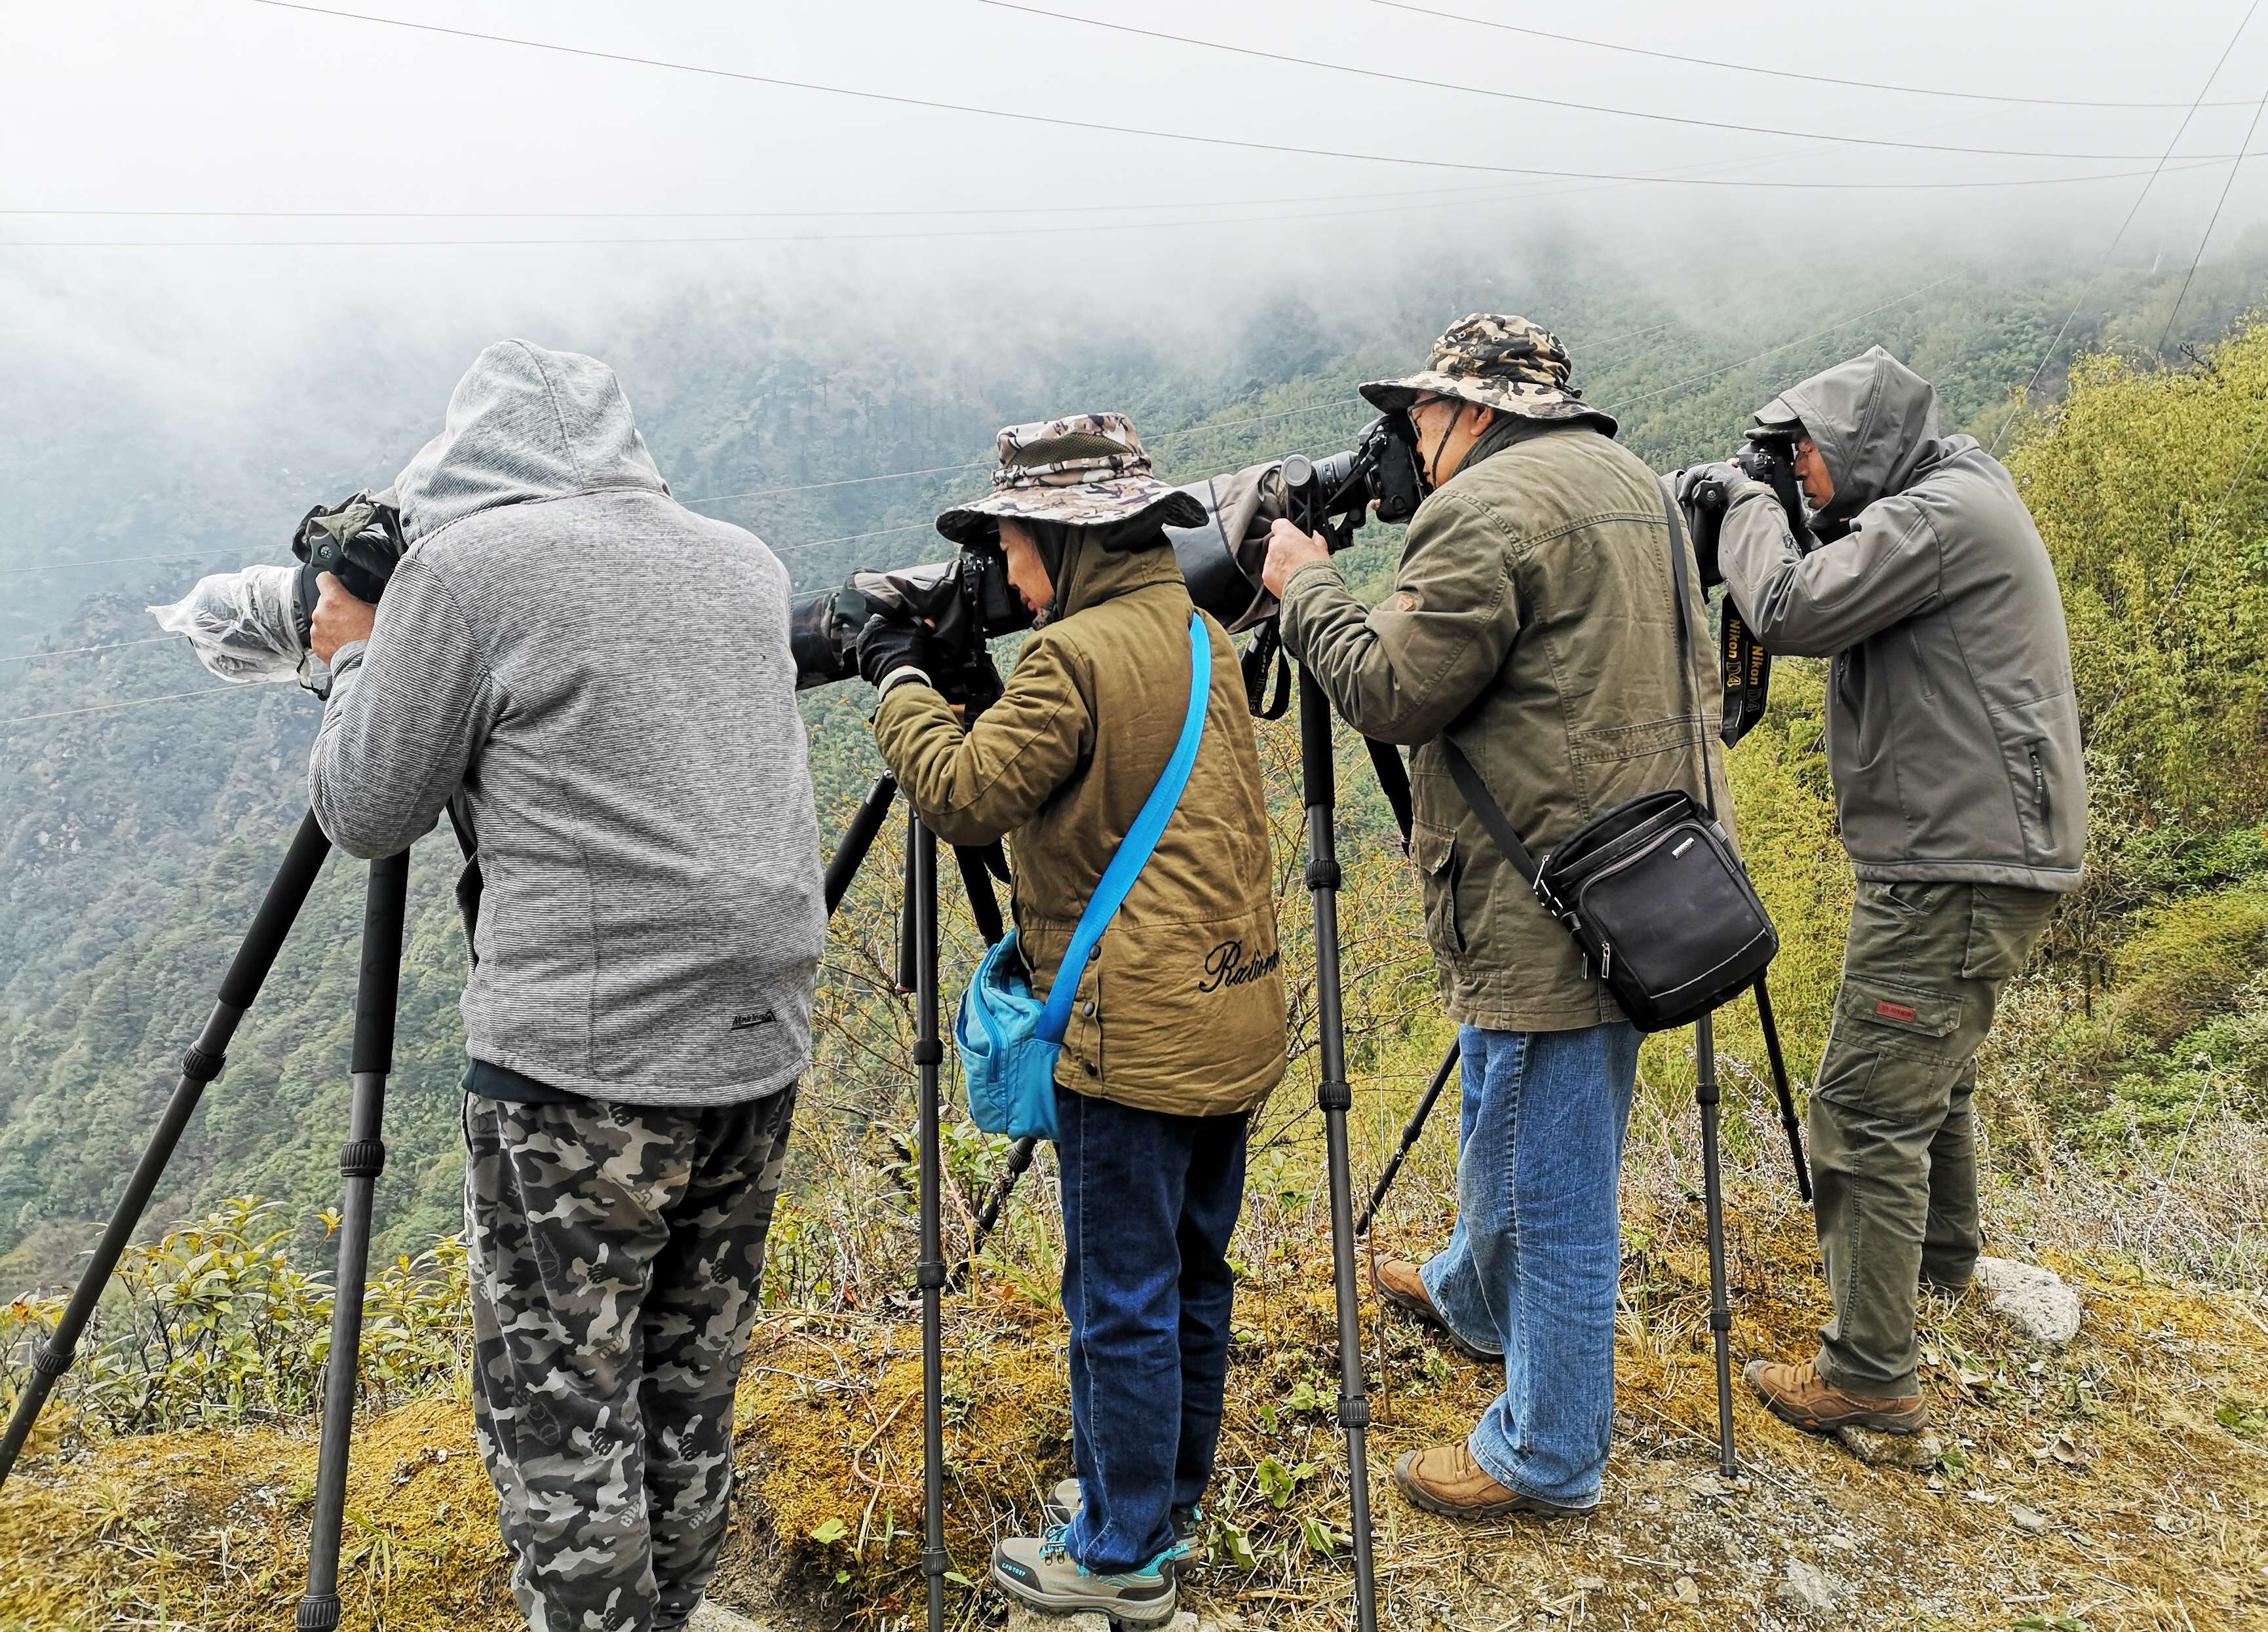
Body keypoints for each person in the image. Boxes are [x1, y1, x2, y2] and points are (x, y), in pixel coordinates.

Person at [305, 339, 823, 1632]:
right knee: (683, 1384)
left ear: (473, 458)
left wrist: (359, 652)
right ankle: (677, 1605)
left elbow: (370, 807)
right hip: (759, 1041)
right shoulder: (745, 563)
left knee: (559, 1412)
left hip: (583, 1065)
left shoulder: (466, 570)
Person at [1259, 315, 1734, 1519]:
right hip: (1649, 875)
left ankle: (1547, 1451)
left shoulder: (1482, 509)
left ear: (1473, 412)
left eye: (1420, 416)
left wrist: (1305, 582)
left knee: (1552, 1184)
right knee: (1506, 1104)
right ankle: (1473, 1294)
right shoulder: (1629, 480)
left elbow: (1390, 690)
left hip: (1548, 897)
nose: (1409, 441)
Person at [856, 413, 1286, 1626]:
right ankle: (1163, 1495)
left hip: (1132, 1033)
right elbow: (1079, 770)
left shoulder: (1072, 659)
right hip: (1229, 1008)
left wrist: (895, 675)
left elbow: (963, 795)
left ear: (1061, 538)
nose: (1000, 570)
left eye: (1005, 543)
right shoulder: (1201, 633)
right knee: (1191, 1273)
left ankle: (1116, 1553)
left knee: (1117, 1297)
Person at [1679, 347, 2085, 1439]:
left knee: (1862, 1110)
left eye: (1799, 455)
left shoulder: (1933, 520)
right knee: (1928, 1075)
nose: (1796, 474)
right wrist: (1773, 501)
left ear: (1850, 448)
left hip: (1954, 866)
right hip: (1978, 853)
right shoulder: (1952, 490)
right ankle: (1941, 1269)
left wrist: (1742, 505)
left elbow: (1788, 609)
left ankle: (1868, 1372)